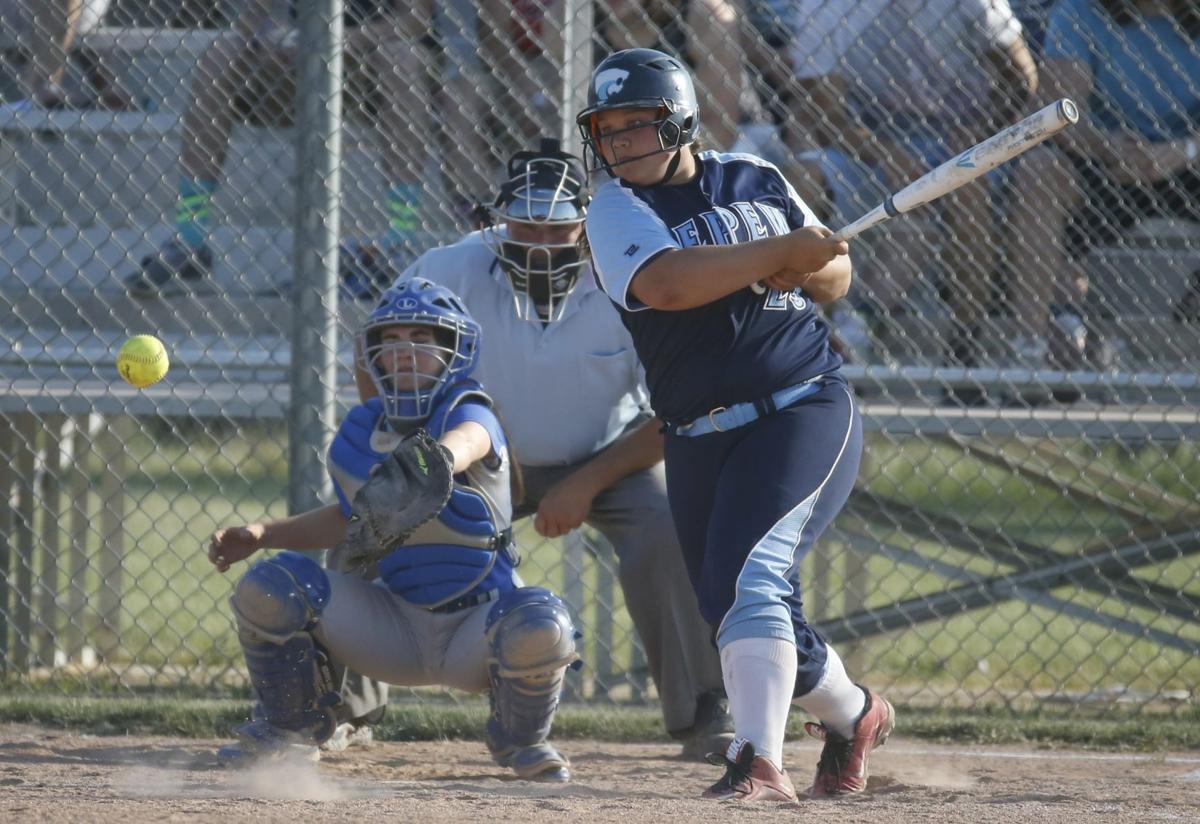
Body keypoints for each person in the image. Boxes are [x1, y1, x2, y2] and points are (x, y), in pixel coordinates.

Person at [575, 48, 894, 802]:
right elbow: (668, 283)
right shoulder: (615, 207)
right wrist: (775, 251)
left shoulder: (758, 177)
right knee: (729, 604)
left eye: (640, 126)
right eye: (607, 130)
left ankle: (757, 760)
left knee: (752, 581)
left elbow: (835, 273)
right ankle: (856, 716)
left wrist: (808, 263)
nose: (621, 144)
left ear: (680, 118)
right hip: (696, 431)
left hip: (800, 405)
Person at [350, 137, 734, 760]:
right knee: (375, 515)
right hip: (475, 455)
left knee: (670, 524)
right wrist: (419, 455)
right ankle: (345, 706)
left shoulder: (633, 270)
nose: (539, 244)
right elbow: (371, 356)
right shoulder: (448, 267)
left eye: (557, 231)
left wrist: (584, 482)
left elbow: (677, 412)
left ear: (589, 227)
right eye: (524, 226)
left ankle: (703, 712)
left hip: (608, 456)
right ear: (496, 223)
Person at [207, 277, 579, 781]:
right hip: (396, 623)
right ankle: (288, 732)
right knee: (270, 588)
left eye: (422, 341)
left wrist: (436, 461)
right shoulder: (362, 428)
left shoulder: (468, 409)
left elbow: (467, 441)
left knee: (541, 621)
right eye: (391, 342)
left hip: (477, 629)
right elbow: (346, 520)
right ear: (373, 355)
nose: (404, 354)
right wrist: (261, 533)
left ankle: (522, 741)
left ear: (455, 350)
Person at [123, 0, 492, 299]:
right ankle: (190, 236)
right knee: (220, 53)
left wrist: (341, 39)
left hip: (371, 69)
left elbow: (414, 21)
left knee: (401, 58)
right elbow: (253, 18)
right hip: (300, 69)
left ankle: (400, 237)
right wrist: (271, 36)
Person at [785, 0, 1037, 368]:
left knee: (968, 189)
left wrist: (977, 134)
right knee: (804, 179)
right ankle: (824, 332)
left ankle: (964, 347)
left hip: (966, 135)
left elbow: (1022, 78)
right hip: (867, 142)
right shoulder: (825, 5)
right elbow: (825, 112)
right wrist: (887, 154)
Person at [1003, 0, 1200, 372]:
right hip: (1110, 160)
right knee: (1038, 170)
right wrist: (1108, 148)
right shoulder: (1080, 12)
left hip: (1188, 159)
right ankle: (1027, 348)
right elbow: (1059, 112)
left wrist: (1178, 152)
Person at [0, 0, 131, 111]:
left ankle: (106, 88)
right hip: (25, 12)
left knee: (82, 23)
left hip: (83, 17)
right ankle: (44, 86)